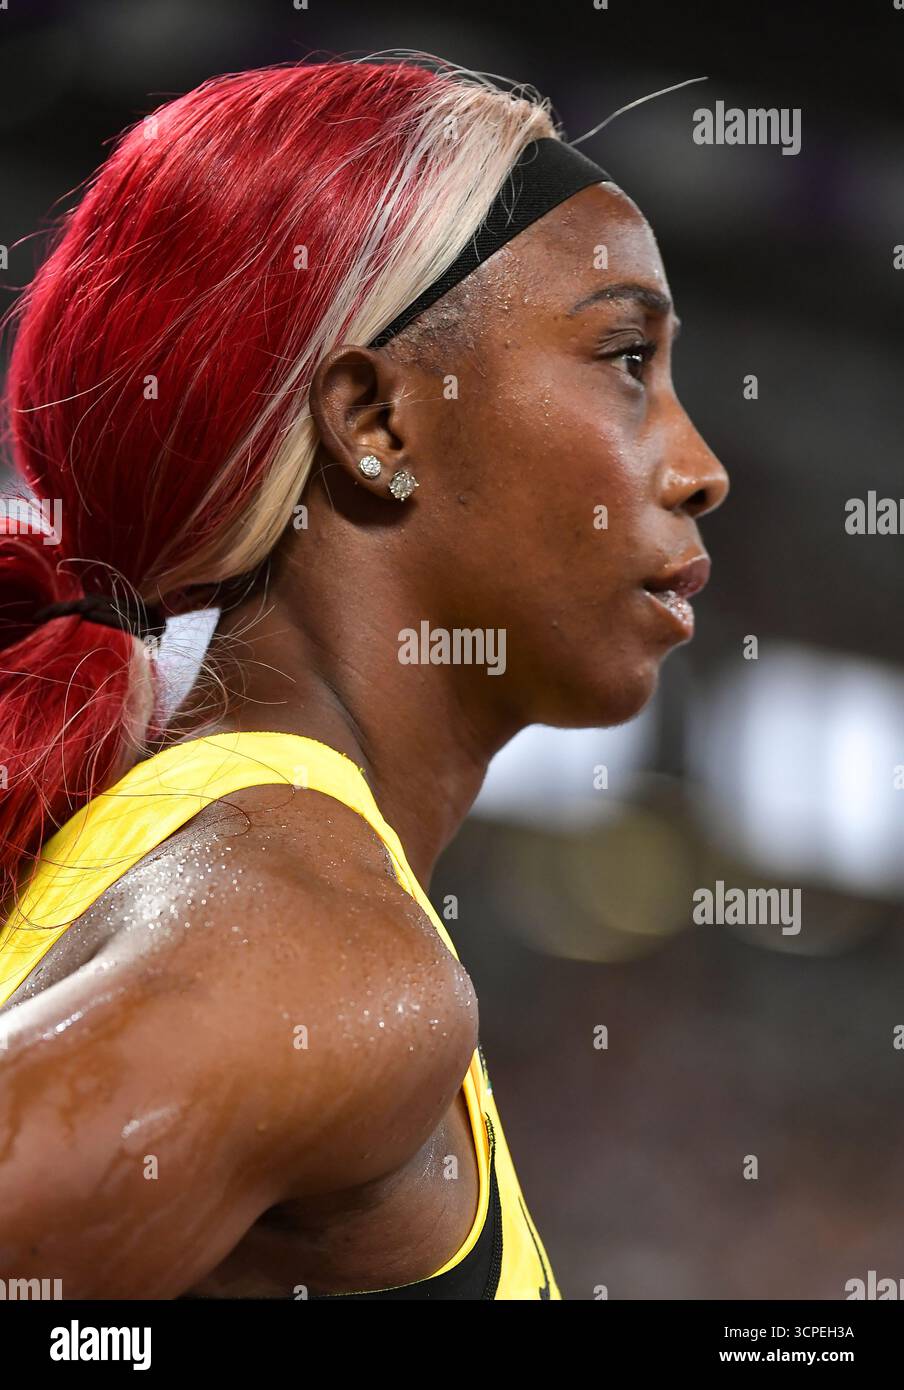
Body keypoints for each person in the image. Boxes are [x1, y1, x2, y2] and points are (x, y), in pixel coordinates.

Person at [0, 54, 728, 1299]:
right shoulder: (306, 938)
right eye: (623, 358)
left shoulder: (236, 873)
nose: (699, 465)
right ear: (377, 424)